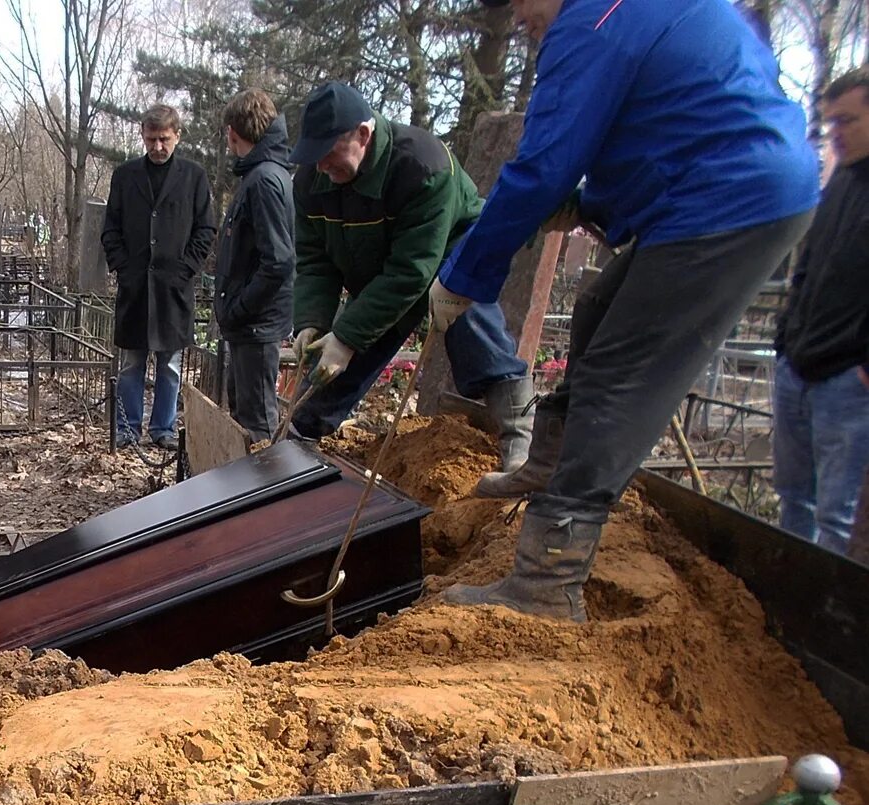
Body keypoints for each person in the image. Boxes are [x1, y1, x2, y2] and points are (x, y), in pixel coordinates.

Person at [432, 0, 818, 621]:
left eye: (523, 6)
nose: (522, 20)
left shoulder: (594, 21)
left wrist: (464, 276)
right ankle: (550, 460)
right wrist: (586, 204)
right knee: (596, 306)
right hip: (726, 182)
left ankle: (545, 582)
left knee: (621, 377)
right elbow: (660, 129)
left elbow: (542, 162)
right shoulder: (629, 12)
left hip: (728, 197)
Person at [287, 82, 533, 466]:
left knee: (474, 329)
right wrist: (312, 322)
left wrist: (348, 336)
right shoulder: (311, 182)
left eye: (327, 153)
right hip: (380, 269)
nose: (320, 165)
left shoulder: (423, 165)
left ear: (363, 135)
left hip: (448, 256)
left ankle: (519, 436)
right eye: (313, 155)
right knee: (341, 354)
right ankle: (299, 435)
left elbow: (411, 271)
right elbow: (316, 260)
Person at [772, 66, 869, 556]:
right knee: (794, 499)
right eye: (830, 123)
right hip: (798, 366)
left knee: (836, 515)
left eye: (847, 121)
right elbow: (807, 267)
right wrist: (785, 339)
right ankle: (789, 598)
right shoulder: (841, 181)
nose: (835, 134)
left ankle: (823, 619)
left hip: (847, 382)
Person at [101, 104, 217, 449]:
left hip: (174, 289)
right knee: (131, 363)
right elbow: (111, 229)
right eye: (151, 139)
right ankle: (127, 427)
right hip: (135, 287)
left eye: (164, 139)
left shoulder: (194, 177)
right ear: (142, 135)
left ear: (177, 136)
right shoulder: (125, 176)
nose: (157, 147)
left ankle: (163, 429)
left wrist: (185, 270)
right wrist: (123, 267)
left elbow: (205, 229)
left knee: (170, 365)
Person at [213, 88, 293, 444]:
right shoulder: (261, 175)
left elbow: (278, 260)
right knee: (245, 418)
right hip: (250, 325)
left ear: (232, 132)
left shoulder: (263, 180)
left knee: (258, 425)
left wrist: (240, 308)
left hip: (257, 325)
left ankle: (265, 496)